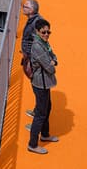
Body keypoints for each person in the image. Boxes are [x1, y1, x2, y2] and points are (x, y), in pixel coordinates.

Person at [28, 18, 59, 154]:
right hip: (40, 84)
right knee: (40, 113)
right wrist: (52, 63)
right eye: (43, 32)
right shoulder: (37, 46)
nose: (46, 34)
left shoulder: (44, 43)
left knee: (48, 107)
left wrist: (53, 61)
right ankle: (32, 144)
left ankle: (45, 134)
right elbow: (50, 67)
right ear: (37, 31)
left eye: (48, 32)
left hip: (44, 83)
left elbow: (54, 56)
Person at [21, 0, 42, 119]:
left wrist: (30, 58)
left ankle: (39, 116)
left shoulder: (35, 23)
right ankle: (38, 111)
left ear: (32, 10)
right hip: (29, 57)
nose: (23, 8)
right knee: (36, 86)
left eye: (26, 7)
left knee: (37, 87)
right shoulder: (32, 20)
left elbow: (38, 42)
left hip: (32, 60)